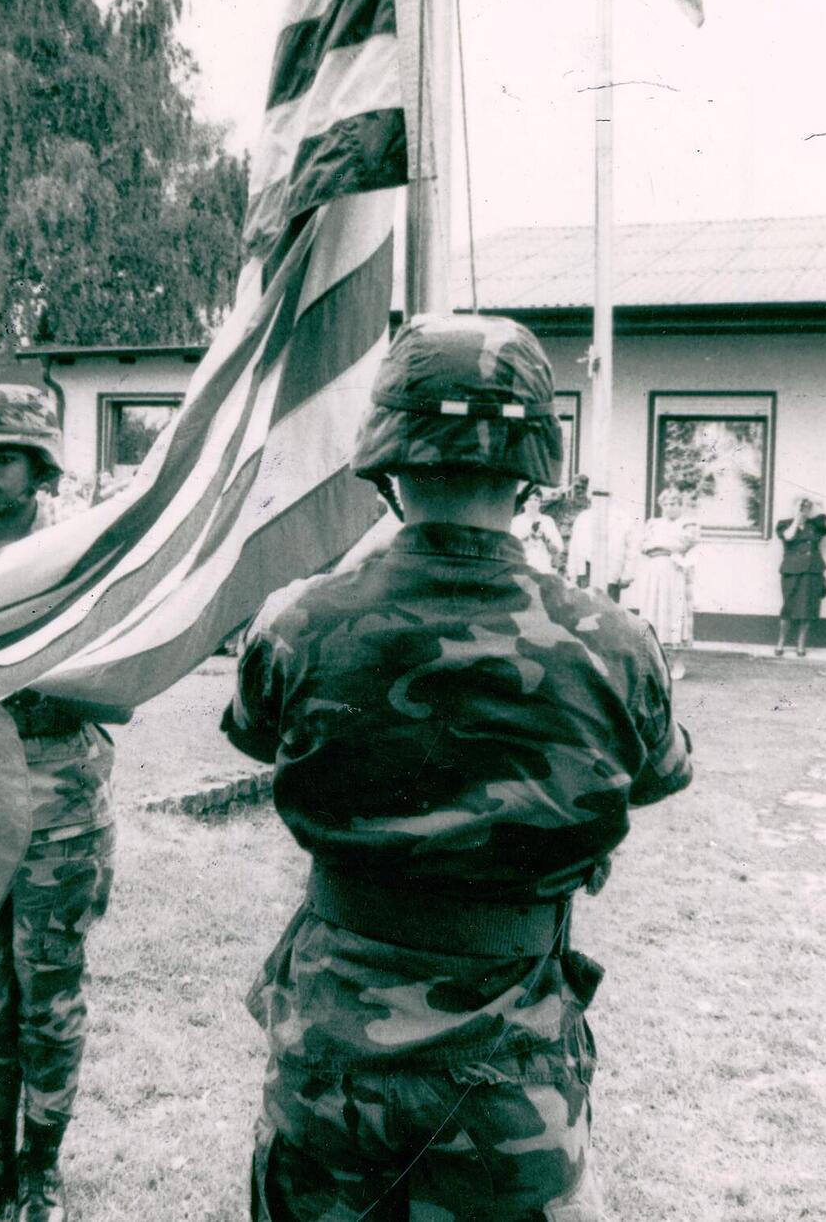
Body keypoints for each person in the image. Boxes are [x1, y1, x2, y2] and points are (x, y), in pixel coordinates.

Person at [224, 313, 694, 1222]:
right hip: (512, 1081)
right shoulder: (613, 643)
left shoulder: (296, 624)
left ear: (388, 462)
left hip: (332, 1070)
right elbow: (659, 773)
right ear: (532, 469)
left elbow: (255, 732)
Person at [0, 385, 116, 1222]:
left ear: (39, 467)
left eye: (0, 456)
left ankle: (41, 1171)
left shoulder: (79, 554)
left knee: (50, 994)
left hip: (57, 798)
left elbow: (115, 684)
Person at [631, 488, 696, 680]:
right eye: (666, 504)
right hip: (655, 573)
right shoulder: (653, 523)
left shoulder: (687, 524)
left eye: (673, 504)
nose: (669, 508)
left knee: (675, 613)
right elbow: (644, 546)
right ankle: (657, 663)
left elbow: (684, 545)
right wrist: (662, 545)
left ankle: (678, 662)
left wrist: (659, 545)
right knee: (654, 611)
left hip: (675, 572)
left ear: (680, 505)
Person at [774, 496, 826, 657]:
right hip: (791, 571)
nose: (804, 510)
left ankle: (801, 644)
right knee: (788, 607)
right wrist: (796, 519)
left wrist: (822, 507)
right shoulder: (784, 524)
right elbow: (788, 536)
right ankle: (781, 641)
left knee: (808, 608)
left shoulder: (815, 524)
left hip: (812, 571)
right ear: (793, 507)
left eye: (807, 508)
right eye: (801, 507)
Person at [511, 487, 562, 573]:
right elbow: (511, 546)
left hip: (542, 566)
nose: (532, 503)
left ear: (540, 503)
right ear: (524, 503)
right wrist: (527, 536)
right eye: (529, 499)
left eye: (536, 499)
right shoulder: (516, 521)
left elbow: (557, 549)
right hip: (522, 566)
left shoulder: (547, 521)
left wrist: (545, 538)